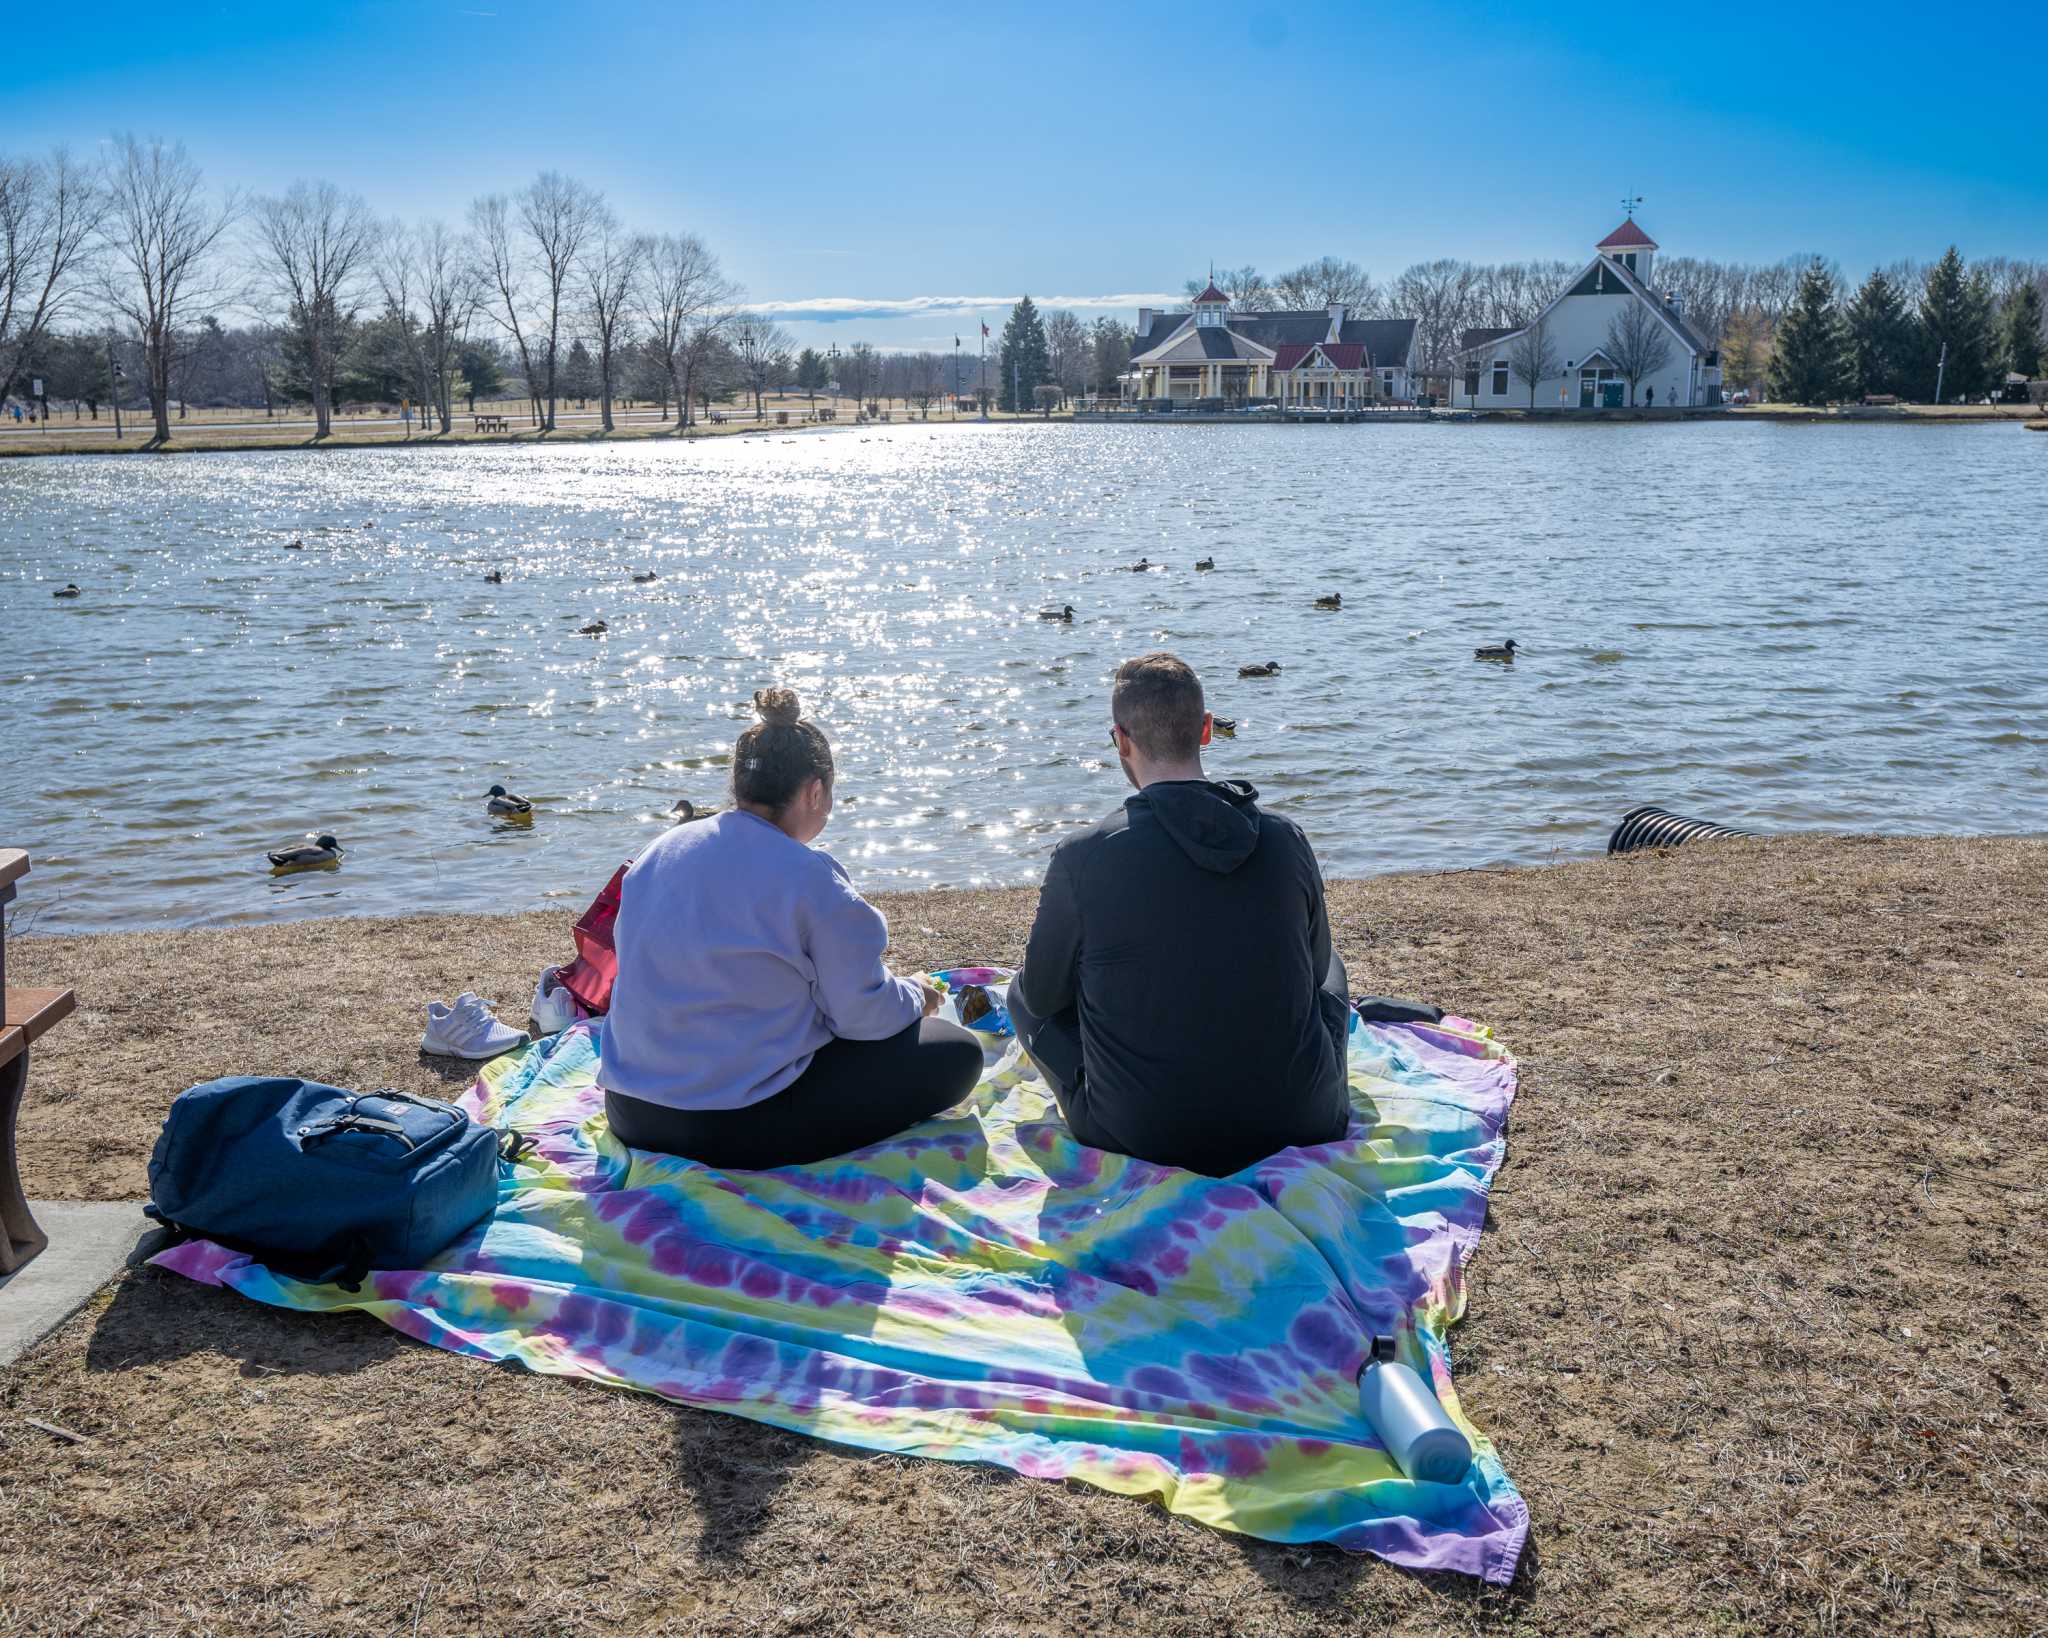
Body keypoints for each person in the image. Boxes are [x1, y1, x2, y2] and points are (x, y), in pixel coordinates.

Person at [602, 687, 984, 1168]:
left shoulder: (661, 850)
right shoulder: (810, 877)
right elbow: (862, 1018)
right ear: (815, 791)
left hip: (629, 1108)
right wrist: (916, 994)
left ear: (739, 785)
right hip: (726, 1125)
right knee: (956, 1053)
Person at [1007, 653, 1353, 1176]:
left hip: (1141, 1135)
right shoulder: (1285, 839)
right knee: (1329, 972)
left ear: (1121, 740)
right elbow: (1313, 962)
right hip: (1300, 1118)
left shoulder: (1083, 856)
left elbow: (1042, 998)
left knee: (1021, 993)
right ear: (1207, 730)